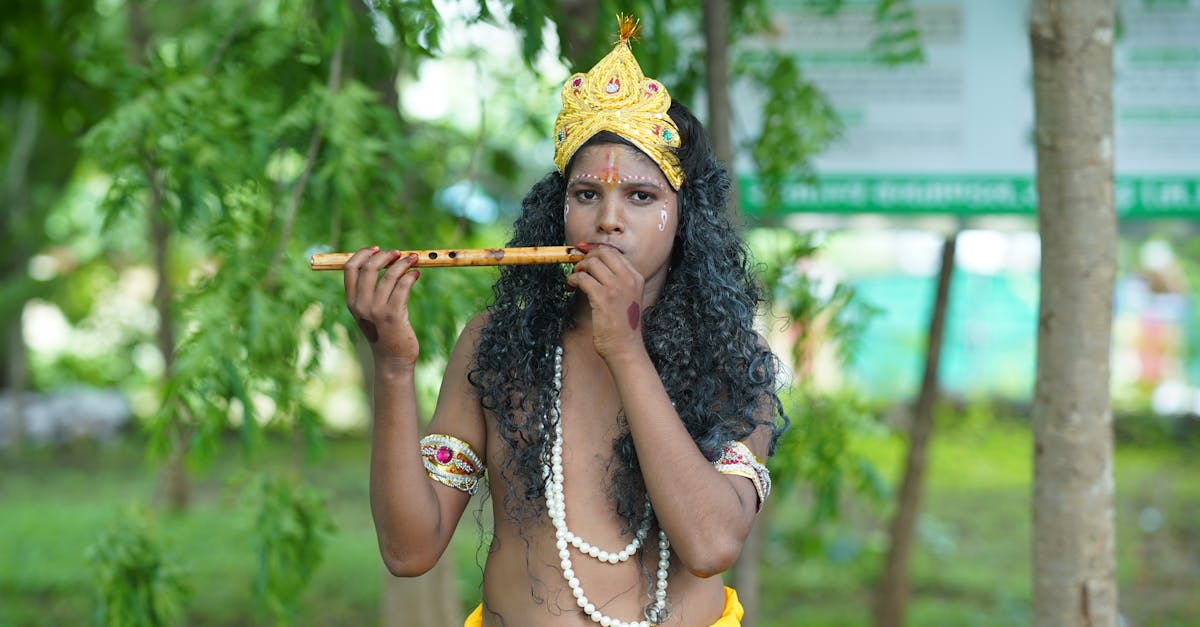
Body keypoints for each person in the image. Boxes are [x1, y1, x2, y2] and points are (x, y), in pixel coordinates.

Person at [342, 16, 787, 627]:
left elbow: (710, 547)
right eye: (586, 195)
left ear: (686, 216)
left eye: (641, 197)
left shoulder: (734, 358)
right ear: (559, 210)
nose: (608, 220)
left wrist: (625, 348)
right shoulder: (496, 344)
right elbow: (408, 551)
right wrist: (392, 368)